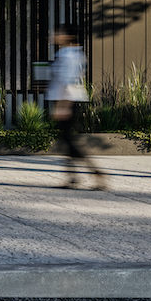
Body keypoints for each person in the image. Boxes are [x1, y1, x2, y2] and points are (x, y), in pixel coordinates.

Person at [47, 24, 107, 190]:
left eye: (58, 33)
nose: (54, 35)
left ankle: (95, 172)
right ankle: (73, 178)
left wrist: (62, 106)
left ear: (68, 36)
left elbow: (68, 81)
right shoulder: (75, 53)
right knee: (67, 141)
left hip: (67, 101)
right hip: (68, 100)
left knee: (69, 141)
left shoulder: (67, 55)